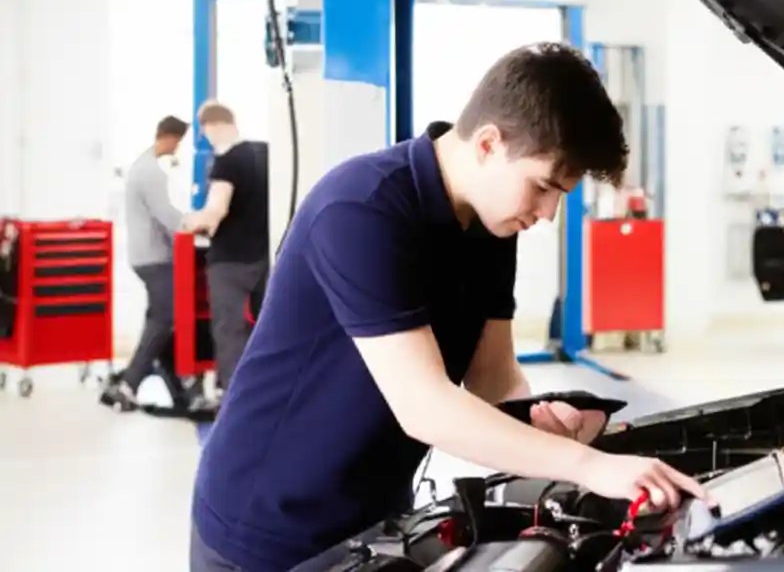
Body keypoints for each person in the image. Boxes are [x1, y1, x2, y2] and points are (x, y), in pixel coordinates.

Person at [190, 43, 708, 571]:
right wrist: (587, 466)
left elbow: (495, 380)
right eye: (543, 187)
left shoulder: (490, 228)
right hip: (268, 527)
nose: (549, 213)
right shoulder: (362, 208)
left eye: (562, 195)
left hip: (375, 519)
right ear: (488, 144)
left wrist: (540, 424)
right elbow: (426, 408)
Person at [100, 115, 190, 410]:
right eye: (178, 141)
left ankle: (178, 387)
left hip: (145, 255)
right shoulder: (151, 171)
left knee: (164, 319)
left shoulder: (143, 166)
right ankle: (129, 384)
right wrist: (193, 224)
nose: (178, 148)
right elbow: (164, 213)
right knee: (165, 317)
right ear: (168, 136)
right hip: (154, 257)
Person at [185, 101, 270, 398]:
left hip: (230, 262)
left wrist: (189, 222)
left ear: (212, 126)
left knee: (229, 330)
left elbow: (215, 211)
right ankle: (262, 390)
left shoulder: (227, 161)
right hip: (263, 257)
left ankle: (234, 396)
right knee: (263, 327)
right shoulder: (264, 153)